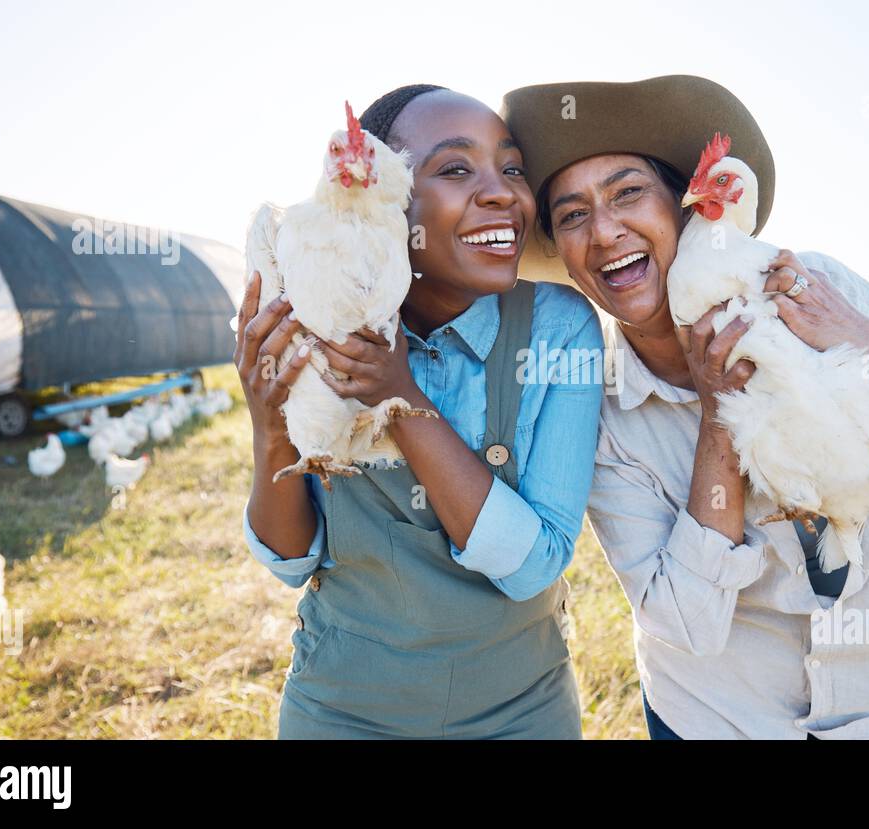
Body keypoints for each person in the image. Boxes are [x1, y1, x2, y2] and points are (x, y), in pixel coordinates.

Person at [501, 74, 869, 739]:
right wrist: (719, 413)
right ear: (563, 250)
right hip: (720, 719)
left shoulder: (817, 289)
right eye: (574, 214)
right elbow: (686, 624)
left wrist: (868, 346)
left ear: (685, 206)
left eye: (628, 193)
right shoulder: (603, 407)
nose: (607, 231)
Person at [236, 85, 604, 739]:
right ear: (385, 198)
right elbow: (292, 560)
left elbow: (535, 566)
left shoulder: (559, 329)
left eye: (512, 168)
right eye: (456, 168)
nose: (502, 193)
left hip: (520, 712)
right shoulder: (314, 311)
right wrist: (271, 432)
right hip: (344, 713)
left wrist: (396, 393)